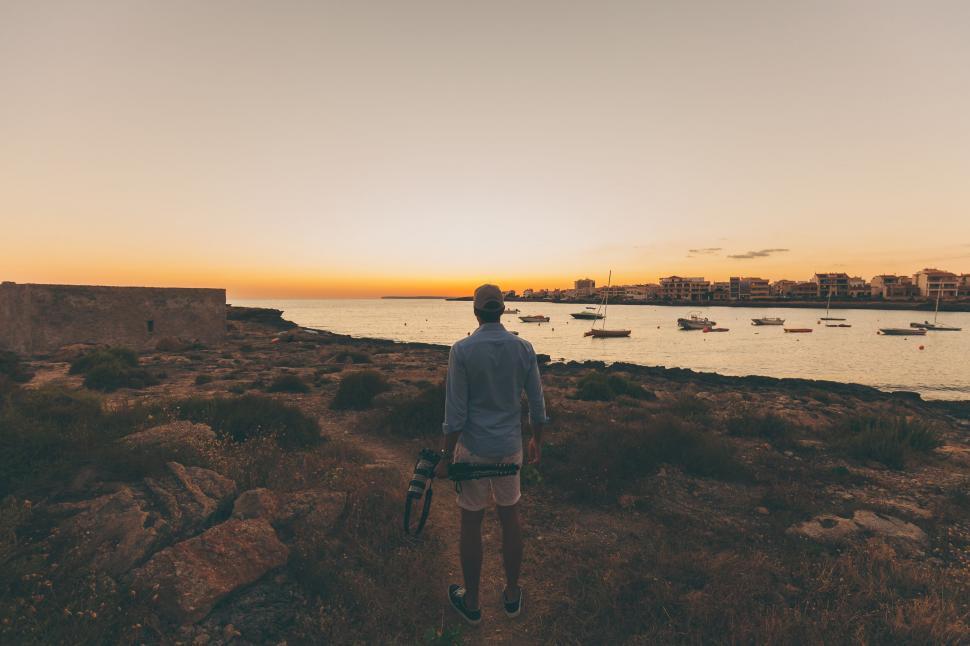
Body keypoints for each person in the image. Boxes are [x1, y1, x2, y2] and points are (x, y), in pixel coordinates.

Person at [436, 283, 548, 626]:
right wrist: (536, 441)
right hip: (509, 449)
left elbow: (455, 413)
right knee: (510, 519)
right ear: (502, 309)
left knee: (471, 523)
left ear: (475, 310)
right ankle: (512, 594)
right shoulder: (524, 348)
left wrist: (445, 456)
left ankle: (471, 602)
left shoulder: (462, 350)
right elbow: (538, 407)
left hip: (472, 449)